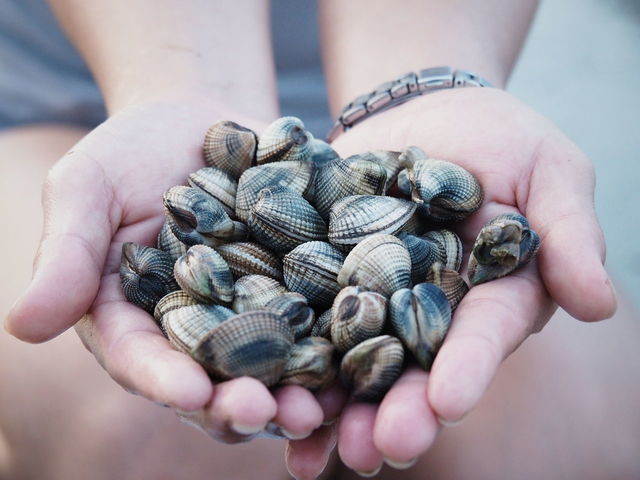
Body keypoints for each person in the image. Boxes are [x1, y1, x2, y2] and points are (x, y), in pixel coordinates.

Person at [1, 0, 639, 479]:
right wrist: (188, 88)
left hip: (379, 117)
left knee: (564, 439)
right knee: (144, 445)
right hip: (68, 108)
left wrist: (418, 80)